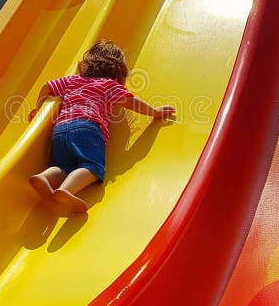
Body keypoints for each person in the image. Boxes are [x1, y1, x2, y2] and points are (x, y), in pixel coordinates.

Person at [27, 40, 176, 214]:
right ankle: (65, 191)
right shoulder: (108, 85)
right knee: (92, 166)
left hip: (59, 130)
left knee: (64, 166)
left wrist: (38, 110)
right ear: (118, 71)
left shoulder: (73, 80)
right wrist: (155, 112)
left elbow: (47, 86)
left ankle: (44, 177)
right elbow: (131, 102)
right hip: (87, 127)